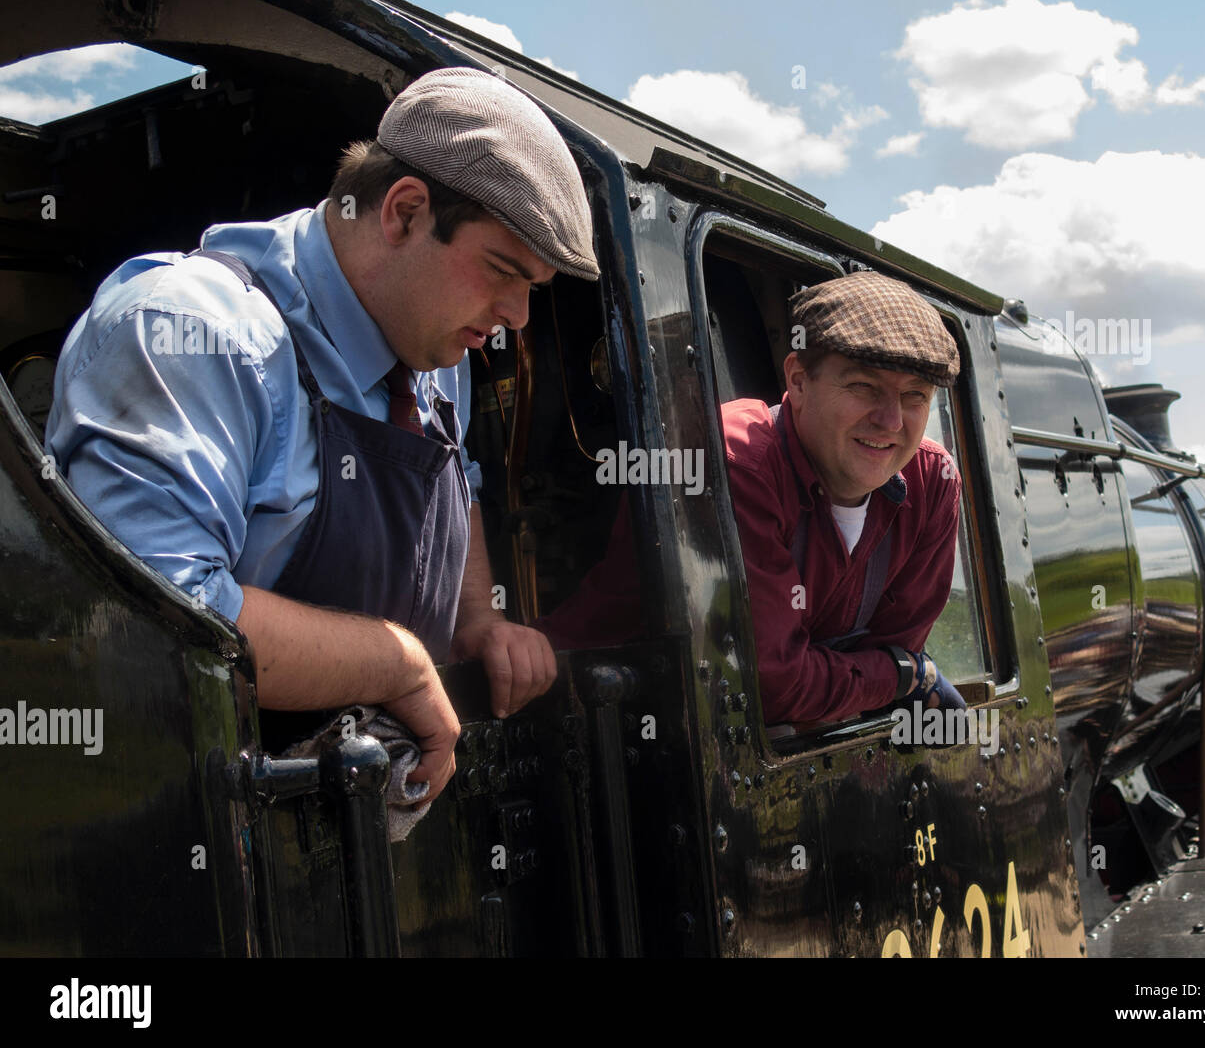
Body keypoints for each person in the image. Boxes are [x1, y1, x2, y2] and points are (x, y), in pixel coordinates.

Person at [45, 67, 600, 799]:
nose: (518, 316)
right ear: (403, 211)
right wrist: (395, 660)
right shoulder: (187, 332)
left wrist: (476, 620)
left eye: (533, 287)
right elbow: (150, 624)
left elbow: (454, 478)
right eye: (503, 270)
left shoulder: (438, 346)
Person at [538, 270, 964, 727]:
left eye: (914, 396)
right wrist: (905, 676)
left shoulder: (933, 480)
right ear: (798, 381)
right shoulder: (728, 460)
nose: (891, 421)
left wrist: (890, 672)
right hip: (593, 723)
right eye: (864, 387)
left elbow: (891, 652)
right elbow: (772, 686)